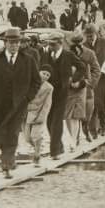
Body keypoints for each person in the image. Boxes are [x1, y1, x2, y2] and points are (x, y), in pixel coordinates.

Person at [0, 28, 41, 179]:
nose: (14, 45)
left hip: (17, 106)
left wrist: (27, 98)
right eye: (10, 42)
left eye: (16, 42)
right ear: (5, 43)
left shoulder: (28, 60)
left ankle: (6, 167)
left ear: (20, 43)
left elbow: (36, 82)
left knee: (12, 135)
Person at [41, 31, 82, 159]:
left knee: (57, 121)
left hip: (62, 92)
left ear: (60, 43)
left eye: (53, 44)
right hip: (48, 92)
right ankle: (59, 146)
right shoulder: (46, 55)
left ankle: (55, 152)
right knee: (48, 120)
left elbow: (82, 67)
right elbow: (40, 68)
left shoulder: (68, 55)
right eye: (49, 44)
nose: (51, 47)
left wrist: (73, 79)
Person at [24, 65, 54, 166]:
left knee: (36, 135)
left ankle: (37, 155)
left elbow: (47, 104)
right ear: (38, 72)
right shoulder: (29, 82)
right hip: (27, 113)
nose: (45, 76)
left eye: (47, 75)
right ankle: (38, 148)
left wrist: (42, 116)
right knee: (27, 138)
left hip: (39, 113)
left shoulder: (49, 88)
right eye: (43, 73)